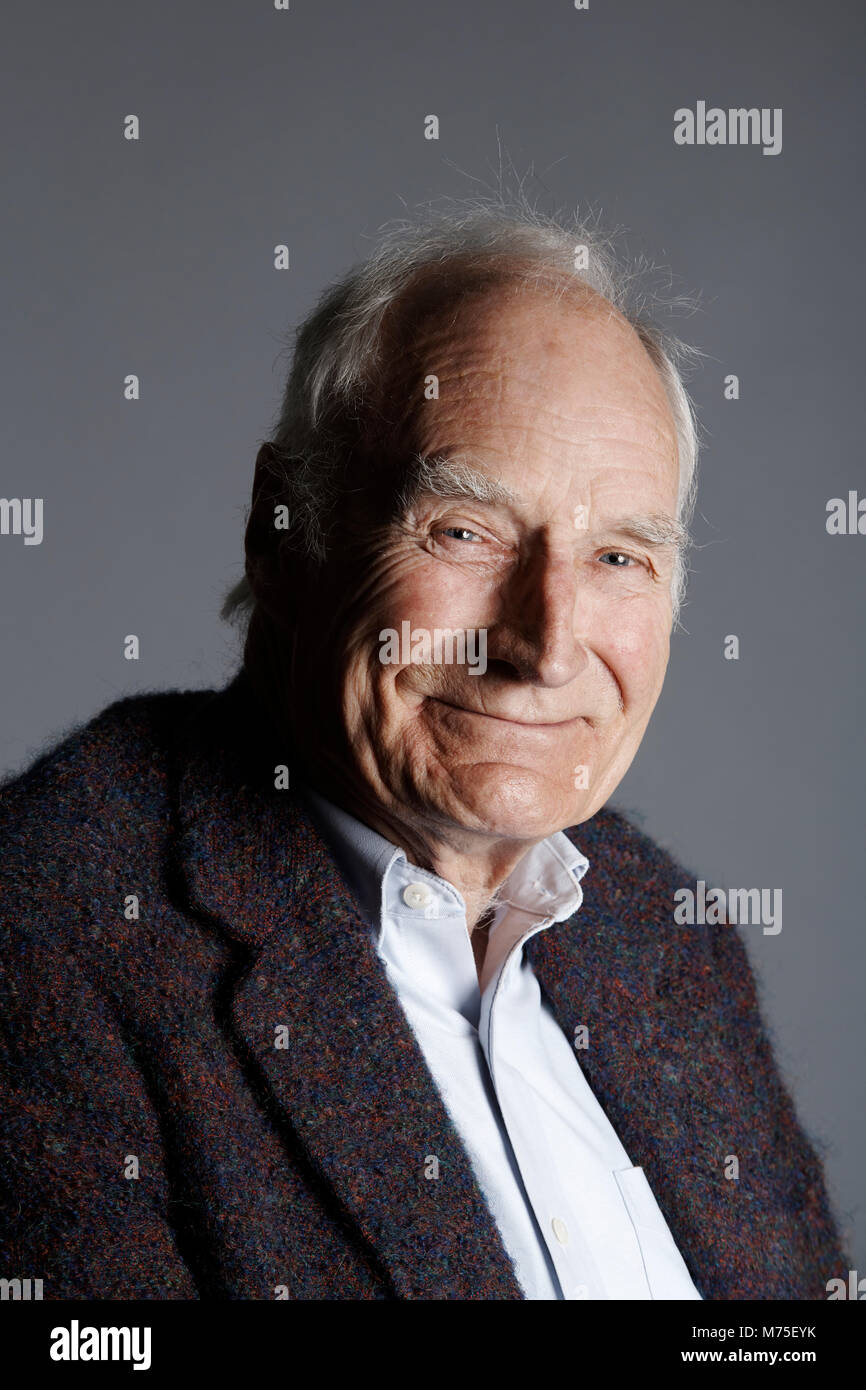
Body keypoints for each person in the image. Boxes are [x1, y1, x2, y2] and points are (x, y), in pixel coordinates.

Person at [0, 204, 846, 1300]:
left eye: (616, 555)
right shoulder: (51, 931)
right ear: (282, 528)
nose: (544, 645)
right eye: (465, 530)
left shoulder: (664, 937)